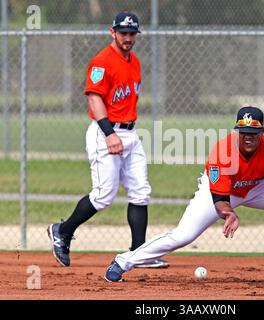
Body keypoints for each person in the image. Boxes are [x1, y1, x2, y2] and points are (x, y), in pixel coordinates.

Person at [104, 106, 264, 286]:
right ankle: (123, 261)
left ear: (262, 132)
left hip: (256, 187)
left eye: (253, 132)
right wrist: (228, 214)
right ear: (237, 131)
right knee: (183, 235)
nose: (248, 137)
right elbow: (220, 199)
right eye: (244, 132)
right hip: (221, 194)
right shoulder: (223, 152)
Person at [47, 12, 168, 269]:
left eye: (132, 33)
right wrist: (109, 133)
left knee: (141, 192)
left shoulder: (134, 61)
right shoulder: (102, 61)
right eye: (123, 33)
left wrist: (123, 134)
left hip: (131, 134)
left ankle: (139, 252)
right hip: (107, 132)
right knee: (103, 196)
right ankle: (63, 231)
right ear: (112, 32)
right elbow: (94, 98)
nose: (128, 38)